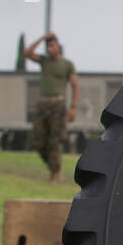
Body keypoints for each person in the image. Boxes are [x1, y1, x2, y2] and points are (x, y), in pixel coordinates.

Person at [24, 31, 78, 184]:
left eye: (52, 46)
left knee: (55, 140)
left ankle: (55, 173)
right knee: (37, 141)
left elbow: (75, 85)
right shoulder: (44, 61)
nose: (50, 50)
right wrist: (42, 37)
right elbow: (27, 53)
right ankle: (54, 167)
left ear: (58, 46)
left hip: (58, 104)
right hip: (43, 103)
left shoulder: (67, 65)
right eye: (47, 47)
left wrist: (73, 107)